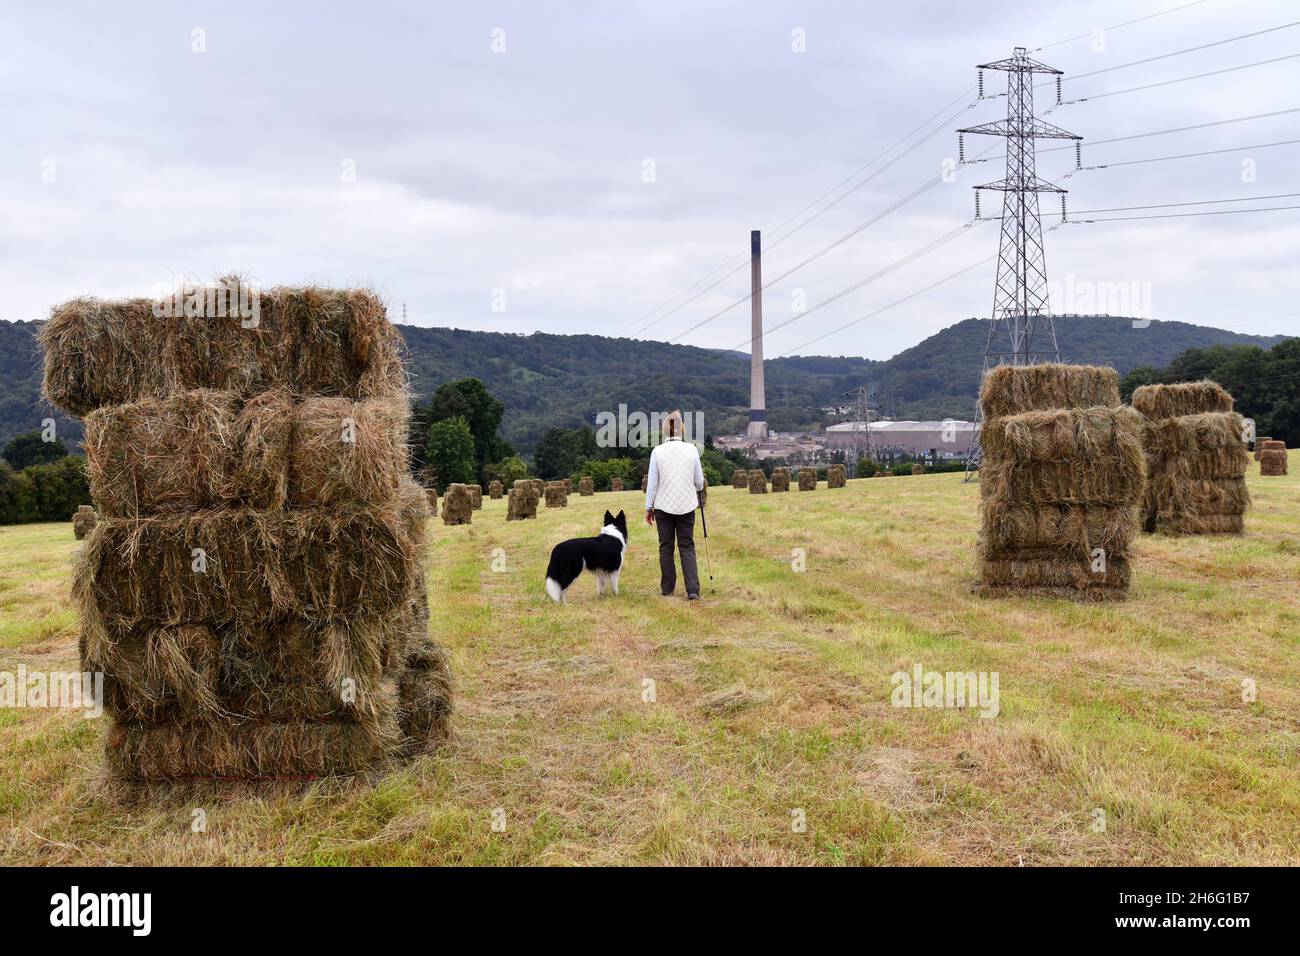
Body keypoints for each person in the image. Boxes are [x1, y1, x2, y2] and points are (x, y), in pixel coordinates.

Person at [644, 410, 705, 600]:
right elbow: (699, 482)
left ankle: (667, 588)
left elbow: (652, 483)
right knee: (687, 546)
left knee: (666, 547)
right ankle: (693, 590)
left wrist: (648, 507)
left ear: (664, 431)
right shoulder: (692, 450)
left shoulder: (657, 452)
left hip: (663, 507)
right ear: (682, 430)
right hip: (686, 505)